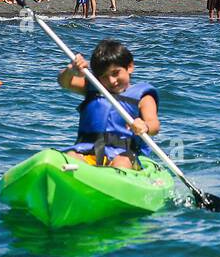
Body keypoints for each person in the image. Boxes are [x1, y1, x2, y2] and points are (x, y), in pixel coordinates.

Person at [59, 39, 159, 170]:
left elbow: (154, 125)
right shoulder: (93, 88)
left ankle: (116, 182)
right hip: (88, 150)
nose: (111, 81)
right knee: (70, 156)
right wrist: (71, 70)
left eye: (115, 73)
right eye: (104, 76)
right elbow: (64, 82)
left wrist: (144, 126)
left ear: (130, 67)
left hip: (125, 154)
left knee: (122, 162)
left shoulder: (143, 97)